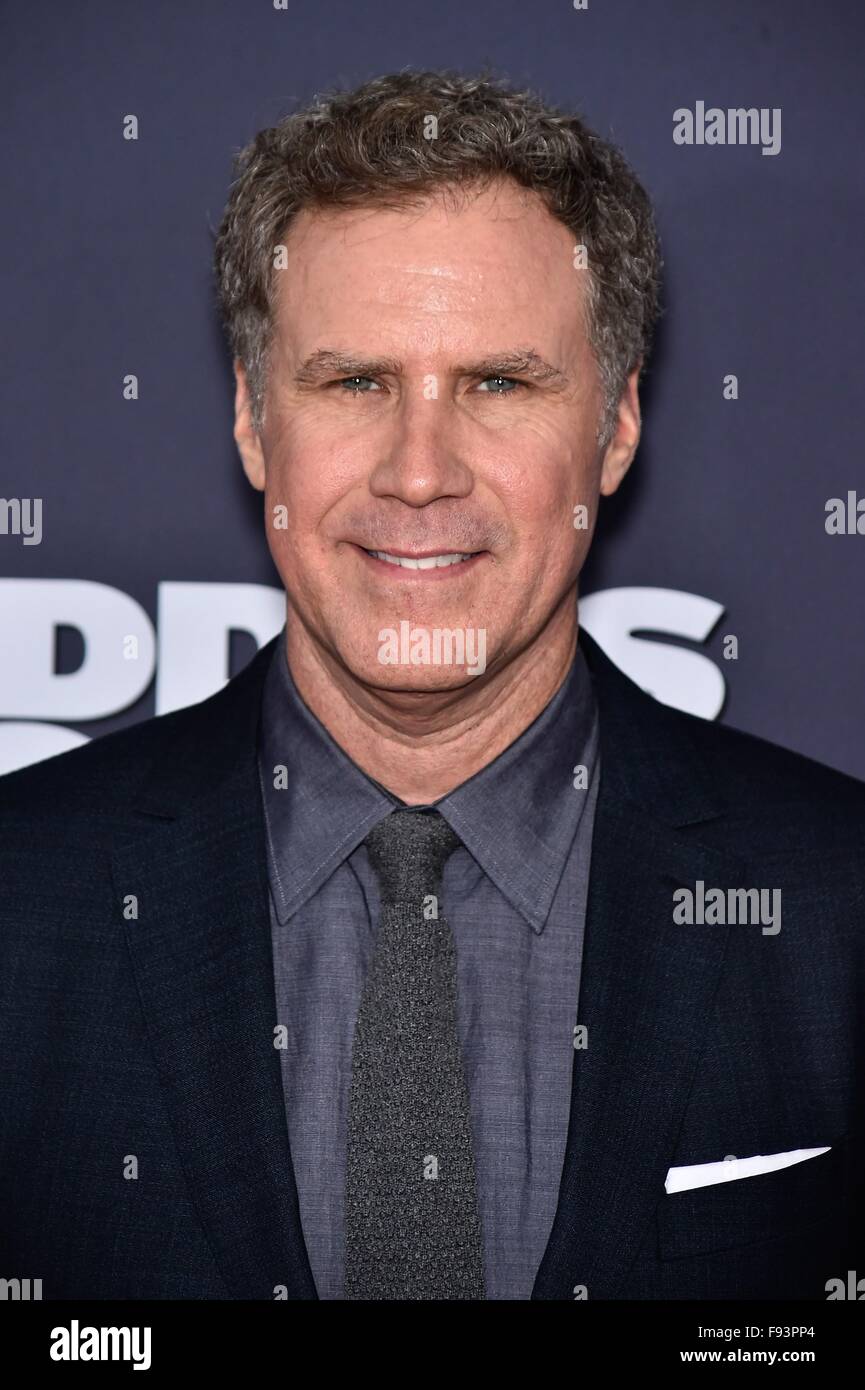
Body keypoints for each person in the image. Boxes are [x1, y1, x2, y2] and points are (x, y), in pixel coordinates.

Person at [1, 69, 862, 1301]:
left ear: (616, 428)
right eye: (355, 383)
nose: (419, 473)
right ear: (252, 421)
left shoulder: (834, 906)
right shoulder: (23, 903)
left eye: (499, 384)